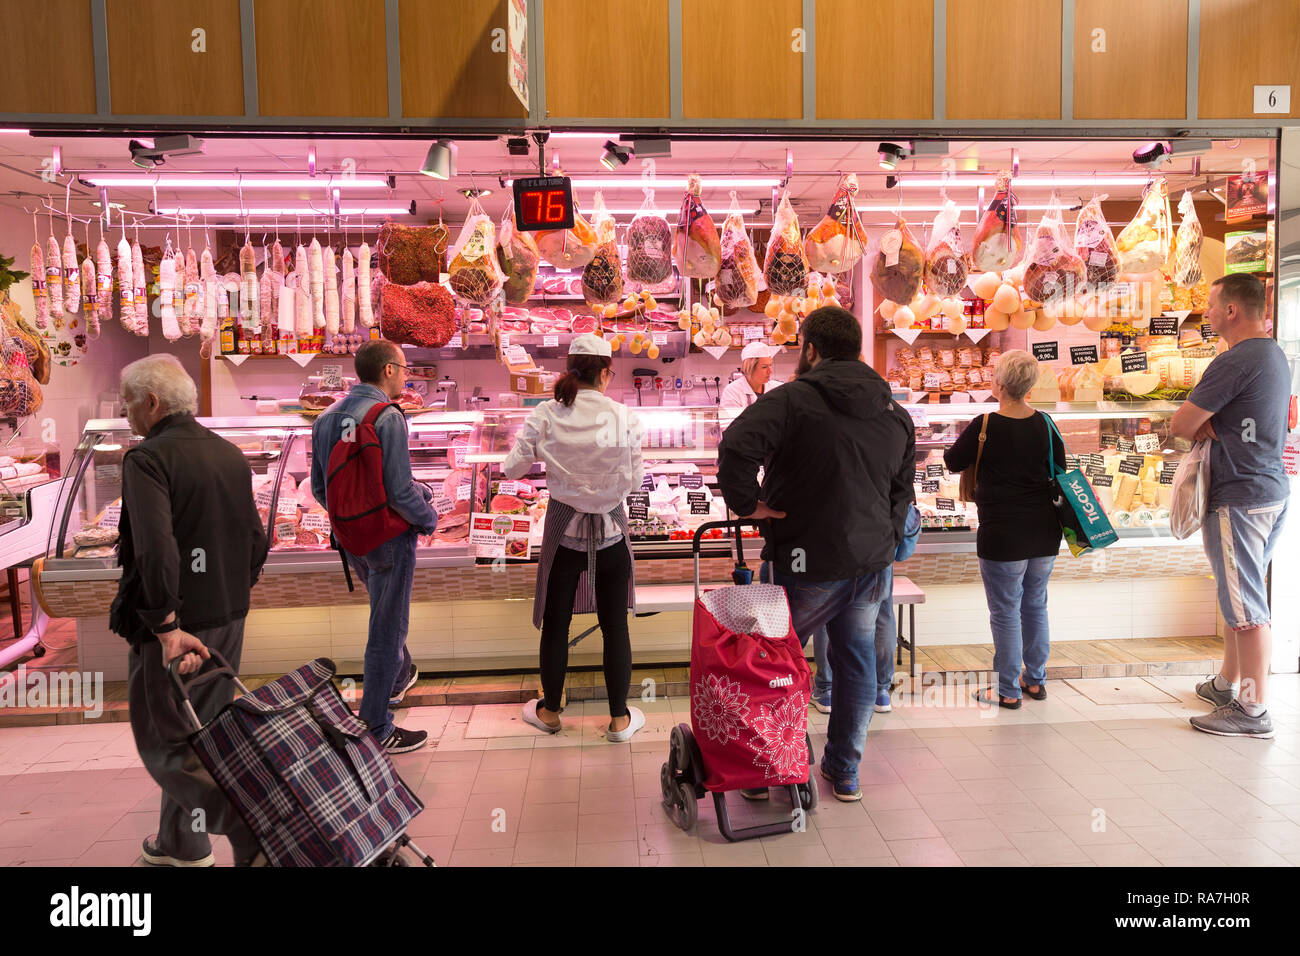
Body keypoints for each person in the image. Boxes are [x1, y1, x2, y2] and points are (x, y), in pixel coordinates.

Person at [718, 306, 915, 802]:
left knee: (770, 662)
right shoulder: (894, 411)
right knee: (856, 663)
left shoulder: (791, 401)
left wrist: (749, 506)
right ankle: (844, 771)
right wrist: (887, 538)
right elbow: (901, 491)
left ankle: (765, 771)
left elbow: (736, 445)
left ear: (810, 348)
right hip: (870, 565)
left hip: (805, 561)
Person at [110, 355, 268, 867]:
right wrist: (229, 595)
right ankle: (182, 843)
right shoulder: (228, 452)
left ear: (151, 403)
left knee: (167, 742)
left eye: (129, 401)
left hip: (177, 629)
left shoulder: (146, 459)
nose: (125, 410)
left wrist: (166, 625)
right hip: (227, 615)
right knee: (207, 735)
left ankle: (250, 830)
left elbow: (156, 552)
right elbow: (255, 540)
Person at [503, 334, 646, 741]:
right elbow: (634, 480)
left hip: (563, 533)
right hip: (612, 532)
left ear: (570, 371)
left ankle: (550, 712)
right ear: (605, 373)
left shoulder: (546, 413)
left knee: (556, 625)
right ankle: (620, 720)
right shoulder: (624, 416)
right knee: (614, 626)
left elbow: (512, 469)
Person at [1170, 274, 1288, 739]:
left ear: (1233, 311)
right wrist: (1215, 423)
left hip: (1239, 495)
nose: (1207, 312)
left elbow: (1182, 423)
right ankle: (1226, 685)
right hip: (1267, 489)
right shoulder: (1273, 353)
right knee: (1241, 594)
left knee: (1247, 607)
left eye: (1212, 305)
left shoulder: (1235, 361)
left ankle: (1252, 711)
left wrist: (1205, 423)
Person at [310, 340, 436, 754]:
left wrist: (351, 520)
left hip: (352, 538)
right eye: (404, 368)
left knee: (384, 615)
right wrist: (426, 517)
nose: (406, 375)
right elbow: (399, 490)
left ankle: (397, 678)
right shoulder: (387, 416)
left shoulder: (326, 416)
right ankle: (377, 727)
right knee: (387, 629)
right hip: (388, 539)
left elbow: (318, 488)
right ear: (386, 371)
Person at [944, 350, 1064, 709]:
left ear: (998, 384)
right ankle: (1036, 680)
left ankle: (1008, 689)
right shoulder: (1044, 423)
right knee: (1035, 605)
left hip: (1002, 534)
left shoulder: (985, 425)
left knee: (1006, 611)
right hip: (1044, 532)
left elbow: (951, 461)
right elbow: (1060, 466)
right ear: (1029, 386)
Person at [719, 341, 782, 409]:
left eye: (770, 366)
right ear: (750, 368)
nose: (770, 371)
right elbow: (731, 418)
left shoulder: (777, 388)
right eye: (764, 367)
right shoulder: (732, 391)